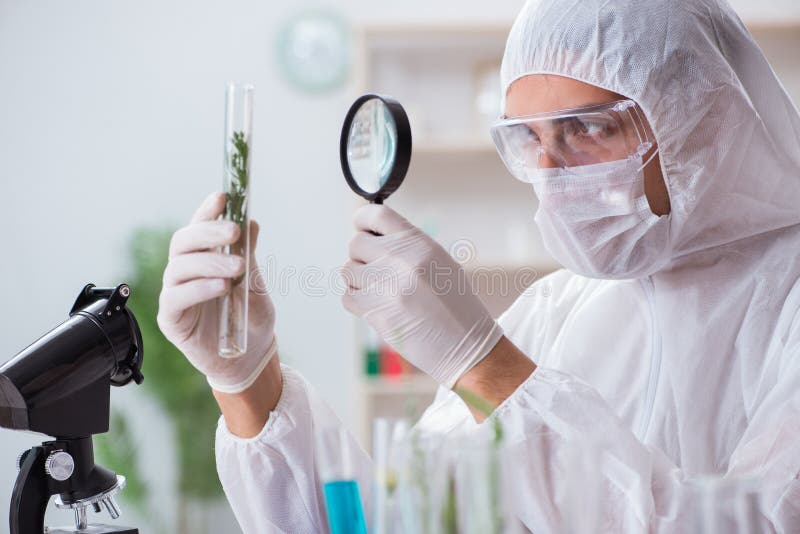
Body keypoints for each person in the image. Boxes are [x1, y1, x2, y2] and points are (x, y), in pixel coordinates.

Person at [157, 0, 800, 531]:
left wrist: (488, 369)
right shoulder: (556, 311)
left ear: (703, 118)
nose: (549, 173)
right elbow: (402, 521)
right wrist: (249, 384)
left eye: (587, 128)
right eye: (530, 137)